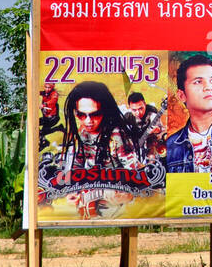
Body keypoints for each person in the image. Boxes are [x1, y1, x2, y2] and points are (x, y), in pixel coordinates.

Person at [46, 81, 142, 217]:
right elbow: (76, 166)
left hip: (115, 200)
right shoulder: (82, 134)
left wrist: (127, 193)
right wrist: (73, 191)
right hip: (90, 195)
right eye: (81, 115)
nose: (88, 121)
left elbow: (135, 172)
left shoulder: (116, 135)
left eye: (95, 114)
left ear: (105, 111)